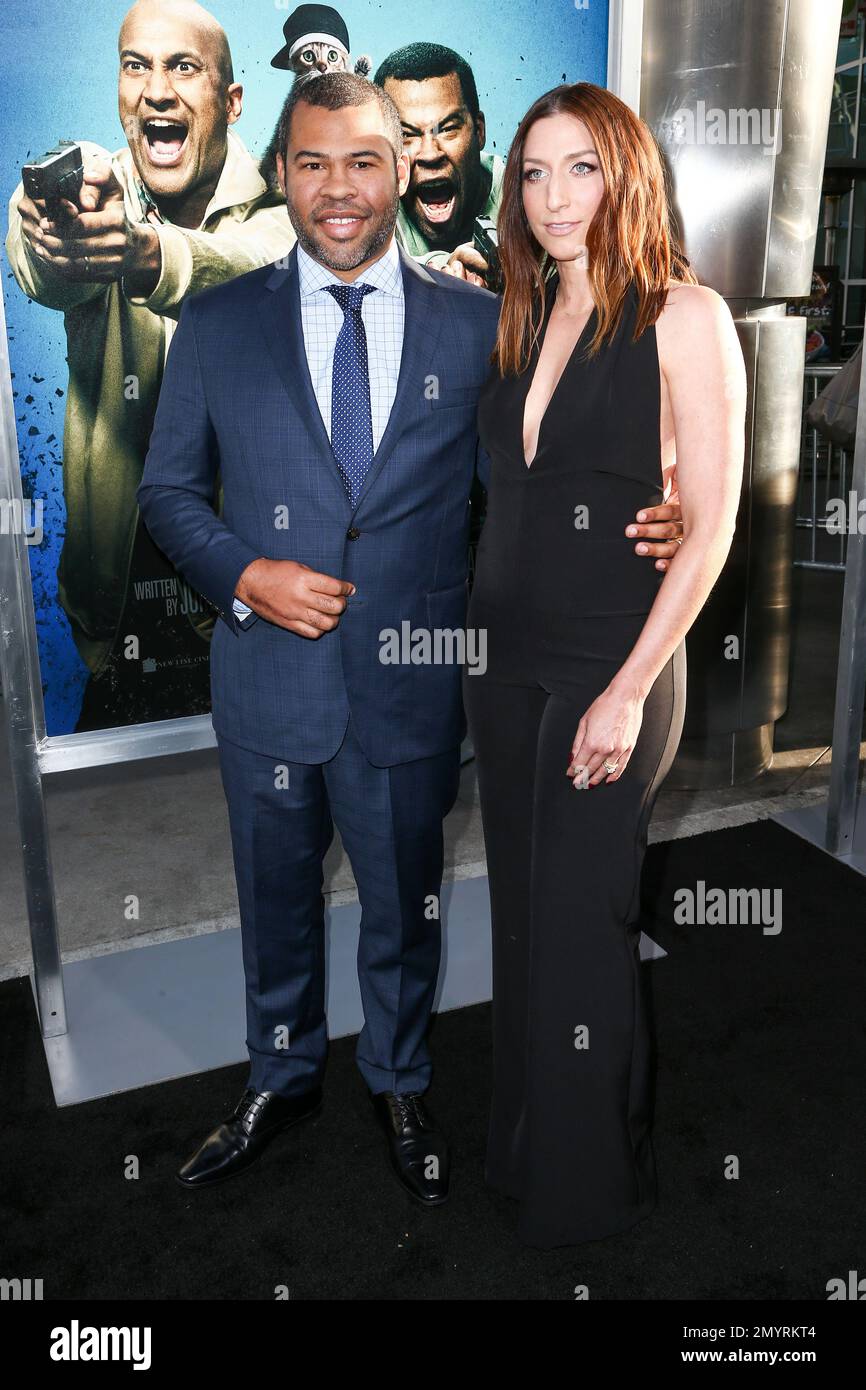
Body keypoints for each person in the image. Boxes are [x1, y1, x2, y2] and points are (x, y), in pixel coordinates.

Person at [136, 71, 684, 1205]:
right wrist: (245, 572)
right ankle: (279, 1076)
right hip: (267, 688)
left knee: (404, 904)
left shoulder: (484, 325)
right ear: (280, 171)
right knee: (272, 903)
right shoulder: (215, 323)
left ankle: (397, 1075)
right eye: (311, 162)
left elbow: (540, 474)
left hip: (414, 689)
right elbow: (168, 493)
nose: (338, 190)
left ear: (404, 168)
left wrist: (659, 498)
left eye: (363, 161)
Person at [462, 82, 747, 1247]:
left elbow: (714, 517)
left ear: (624, 173)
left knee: (584, 928)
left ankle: (583, 1204)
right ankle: (526, 1154)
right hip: (504, 662)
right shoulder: (518, 315)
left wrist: (626, 688)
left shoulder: (684, 313)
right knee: (523, 923)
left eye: (578, 168)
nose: (551, 196)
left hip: (610, 663)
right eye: (530, 173)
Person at [5, 0, 296, 726]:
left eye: (183, 67)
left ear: (229, 103)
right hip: (120, 605)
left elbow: (256, 270)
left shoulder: (285, 208)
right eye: (137, 65)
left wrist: (145, 257)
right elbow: (45, 272)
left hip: (252, 592)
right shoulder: (88, 191)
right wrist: (57, 239)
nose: (157, 89)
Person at [375, 43, 504, 275]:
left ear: (479, 131)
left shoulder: (529, 201)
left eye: (446, 129)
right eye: (405, 135)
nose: (430, 154)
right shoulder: (368, 206)